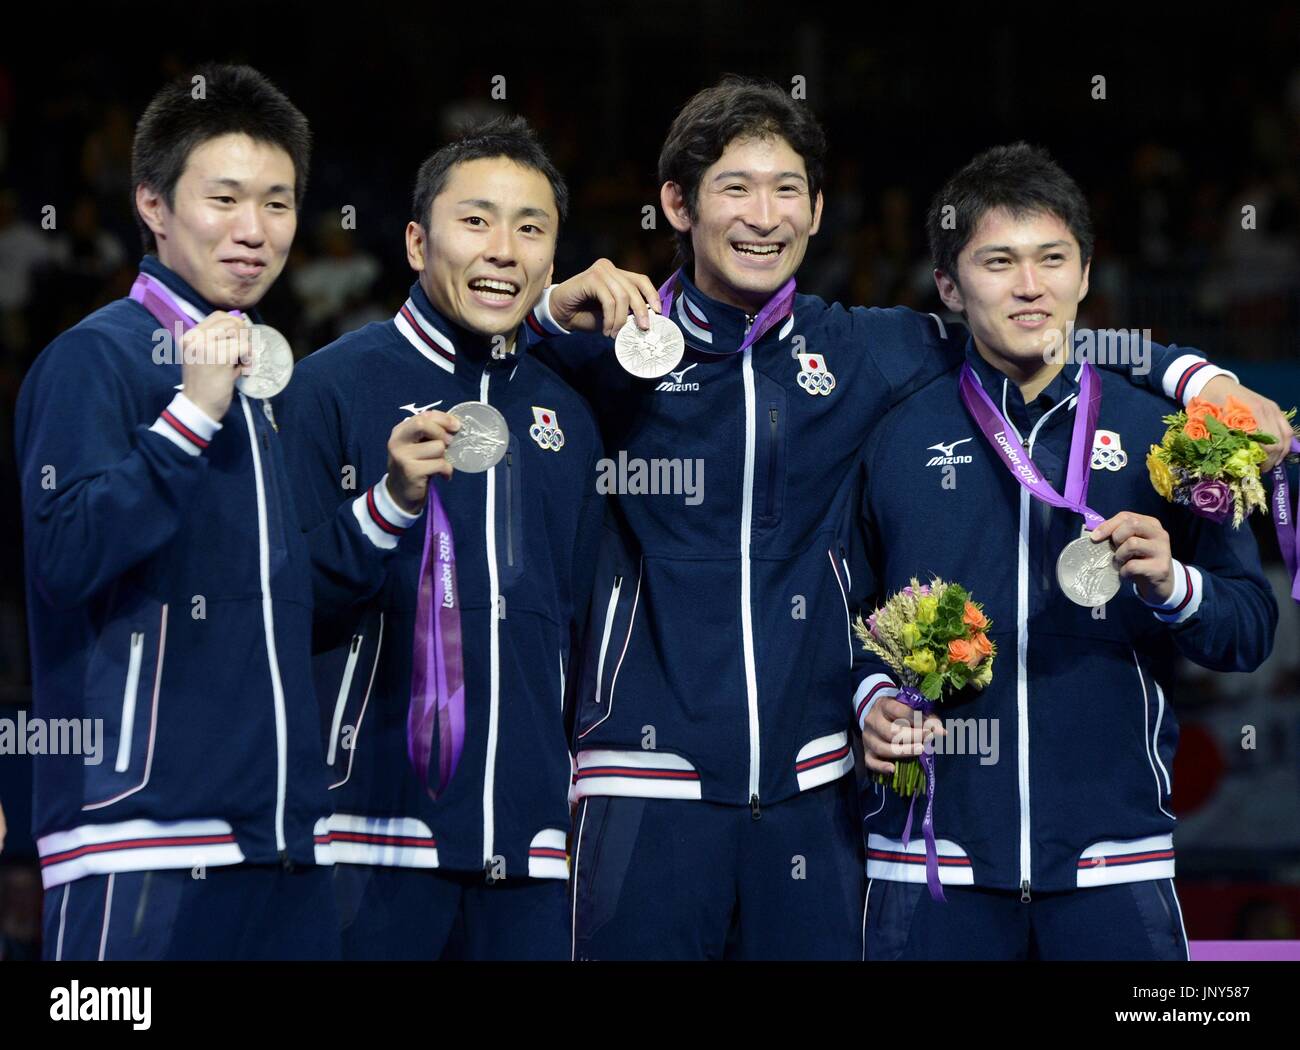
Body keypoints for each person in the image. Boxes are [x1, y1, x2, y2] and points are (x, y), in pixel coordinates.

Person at [524, 76, 1280, 959]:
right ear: (676, 205)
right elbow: (472, 363)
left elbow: (1037, 330)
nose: (763, 214)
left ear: (816, 214)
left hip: (816, 789)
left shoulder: (868, 354)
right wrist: (542, 317)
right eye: (736, 187)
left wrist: (1200, 378)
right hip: (645, 778)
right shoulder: (604, 347)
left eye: (788, 190)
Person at [15, 64, 434, 960]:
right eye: (226, 199)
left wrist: (389, 506)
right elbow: (64, 557)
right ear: (154, 206)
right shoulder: (94, 361)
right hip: (138, 845)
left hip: (283, 849)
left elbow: (286, 605)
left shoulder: (259, 386)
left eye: (278, 203)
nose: (254, 232)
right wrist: (189, 413)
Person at [853, 143, 1278, 960]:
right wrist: (871, 694)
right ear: (949, 285)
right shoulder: (894, 431)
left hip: (1112, 863)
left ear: (1085, 276)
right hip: (930, 863)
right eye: (998, 261)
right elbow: (835, 608)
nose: (1029, 286)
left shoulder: (1166, 432)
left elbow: (1250, 627)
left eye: (1053, 259)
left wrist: (1174, 584)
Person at [277, 117, 603, 959]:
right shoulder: (329, 389)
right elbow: (276, 607)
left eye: (531, 228)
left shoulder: (570, 411)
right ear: (419, 242)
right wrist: (385, 504)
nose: (504, 249)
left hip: (529, 851)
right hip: (367, 839)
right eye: (476, 220)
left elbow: (579, 615)